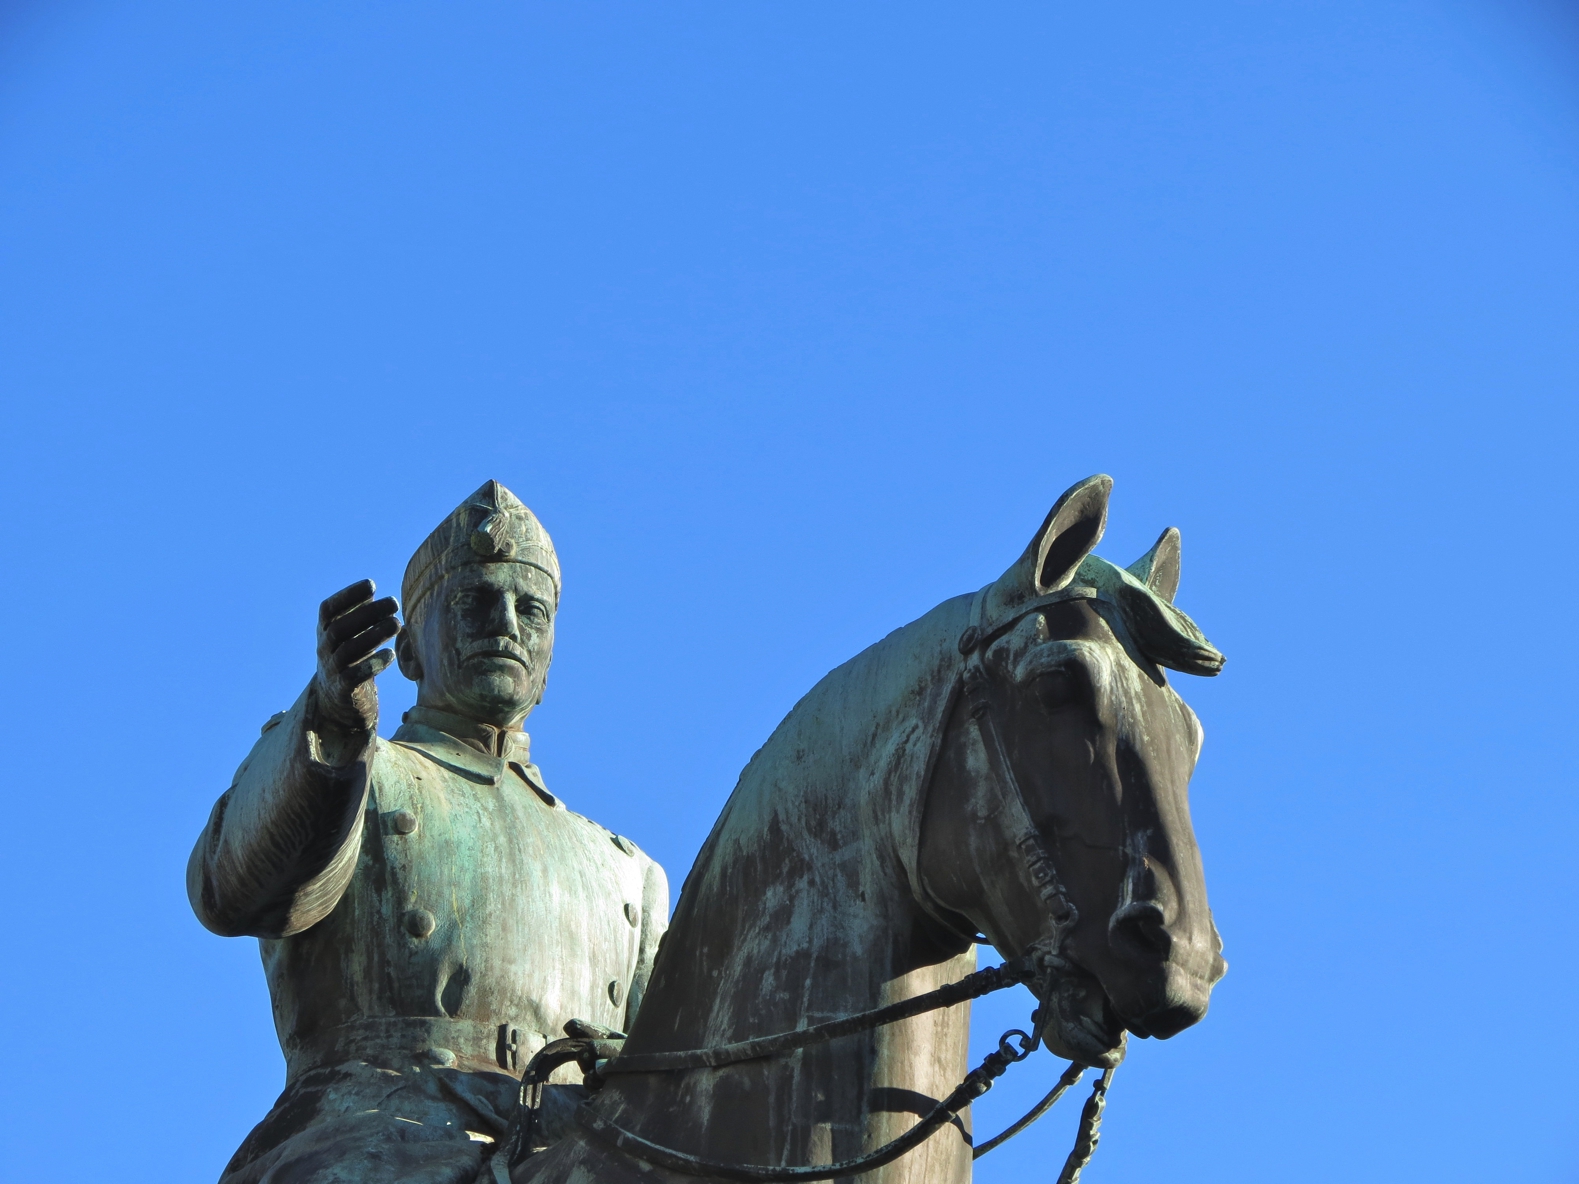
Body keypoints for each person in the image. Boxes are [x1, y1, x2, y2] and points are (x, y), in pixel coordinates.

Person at [188, 481, 667, 1184]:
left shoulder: (628, 872)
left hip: (578, 1143)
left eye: (528, 608)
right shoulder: (355, 767)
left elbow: (678, 1068)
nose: (504, 622)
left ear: (549, 653)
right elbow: (227, 891)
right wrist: (332, 716)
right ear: (409, 652)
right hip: (379, 1128)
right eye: (473, 602)